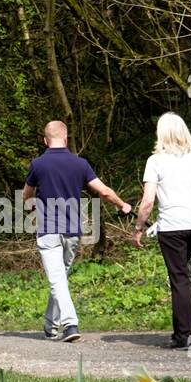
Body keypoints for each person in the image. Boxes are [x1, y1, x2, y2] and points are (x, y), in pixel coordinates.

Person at [23, 120, 130, 342]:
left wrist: (31, 207)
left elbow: (26, 195)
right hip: (73, 231)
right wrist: (122, 205)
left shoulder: (38, 164)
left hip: (48, 230)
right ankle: (50, 326)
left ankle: (70, 325)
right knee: (59, 278)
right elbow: (104, 192)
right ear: (66, 138)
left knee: (57, 279)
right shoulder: (80, 164)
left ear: (45, 140)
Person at [131, 113, 191, 350]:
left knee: (178, 278)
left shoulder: (155, 161)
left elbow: (147, 202)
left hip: (172, 227)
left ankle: (185, 335)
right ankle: (180, 332)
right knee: (181, 276)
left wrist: (138, 228)